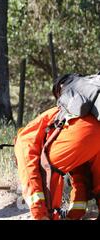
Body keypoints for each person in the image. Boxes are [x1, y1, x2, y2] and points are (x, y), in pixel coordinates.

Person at [15, 74, 100, 220]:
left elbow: (32, 170)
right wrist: (73, 215)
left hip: (84, 134)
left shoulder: (25, 137)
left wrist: (38, 212)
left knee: (47, 167)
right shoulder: (84, 111)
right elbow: (79, 177)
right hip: (93, 133)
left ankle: (46, 216)